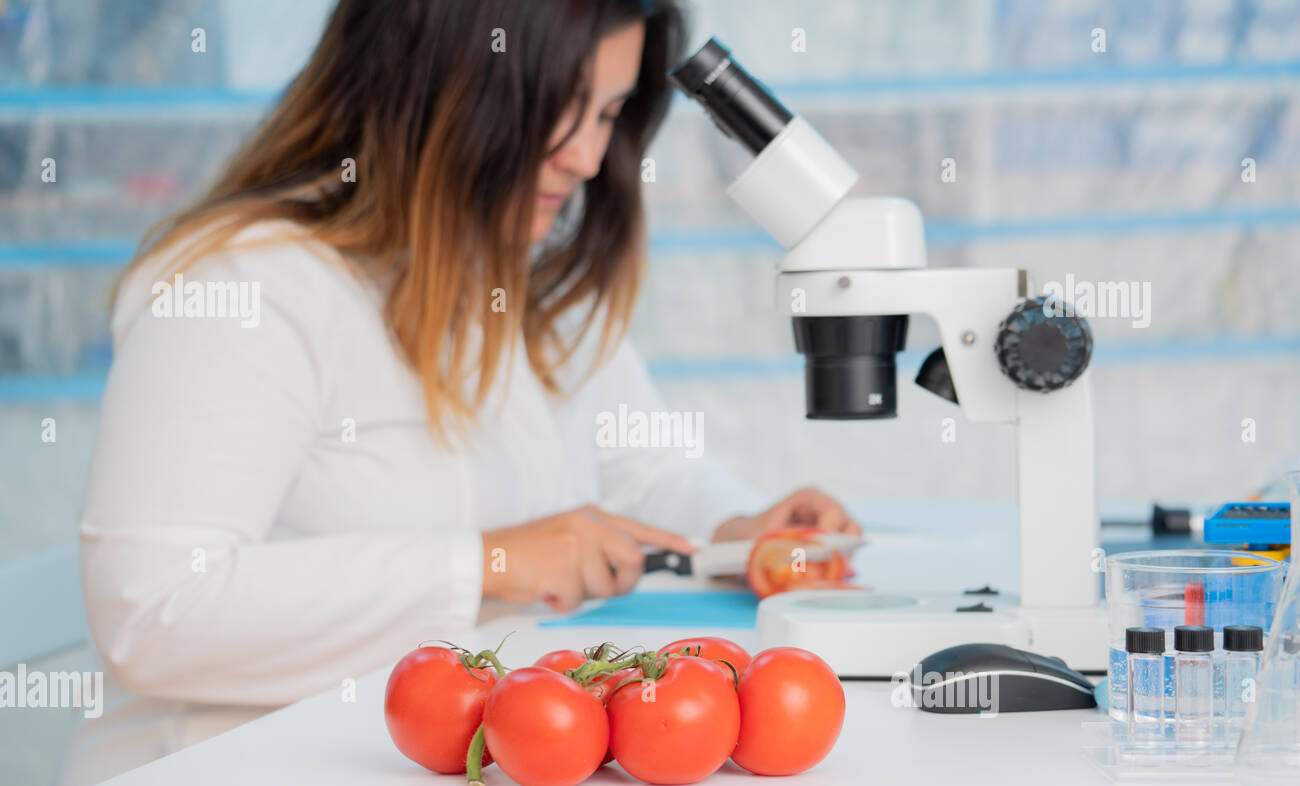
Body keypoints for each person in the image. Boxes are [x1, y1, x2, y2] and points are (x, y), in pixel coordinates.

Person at [78, 0, 860, 715]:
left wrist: (734, 527)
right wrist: (486, 565)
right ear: (435, 82)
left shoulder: (514, 269)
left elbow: (642, 470)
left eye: (609, 115)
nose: (587, 158)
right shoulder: (245, 288)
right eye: (561, 108)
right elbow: (153, 610)